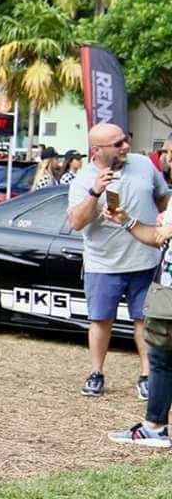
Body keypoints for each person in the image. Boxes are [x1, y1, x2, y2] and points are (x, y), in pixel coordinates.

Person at [67, 122, 169, 398]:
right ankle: (96, 373)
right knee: (101, 320)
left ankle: (147, 376)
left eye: (125, 140)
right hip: (103, 264)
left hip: (146, 259)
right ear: (96, 150)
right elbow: (76, 223)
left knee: (144, 320)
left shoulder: (144, 165)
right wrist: (95, 192)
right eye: (118, 143)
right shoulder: (83, 179)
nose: (126, 146)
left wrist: (164, 222)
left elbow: (163, 198)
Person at [102, 201, 172, 446]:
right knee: (162, 358)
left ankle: (154, 427)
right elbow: (158, 238)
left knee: (163, 358)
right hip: (166, 291)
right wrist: (126, 220)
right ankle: (154, 427)